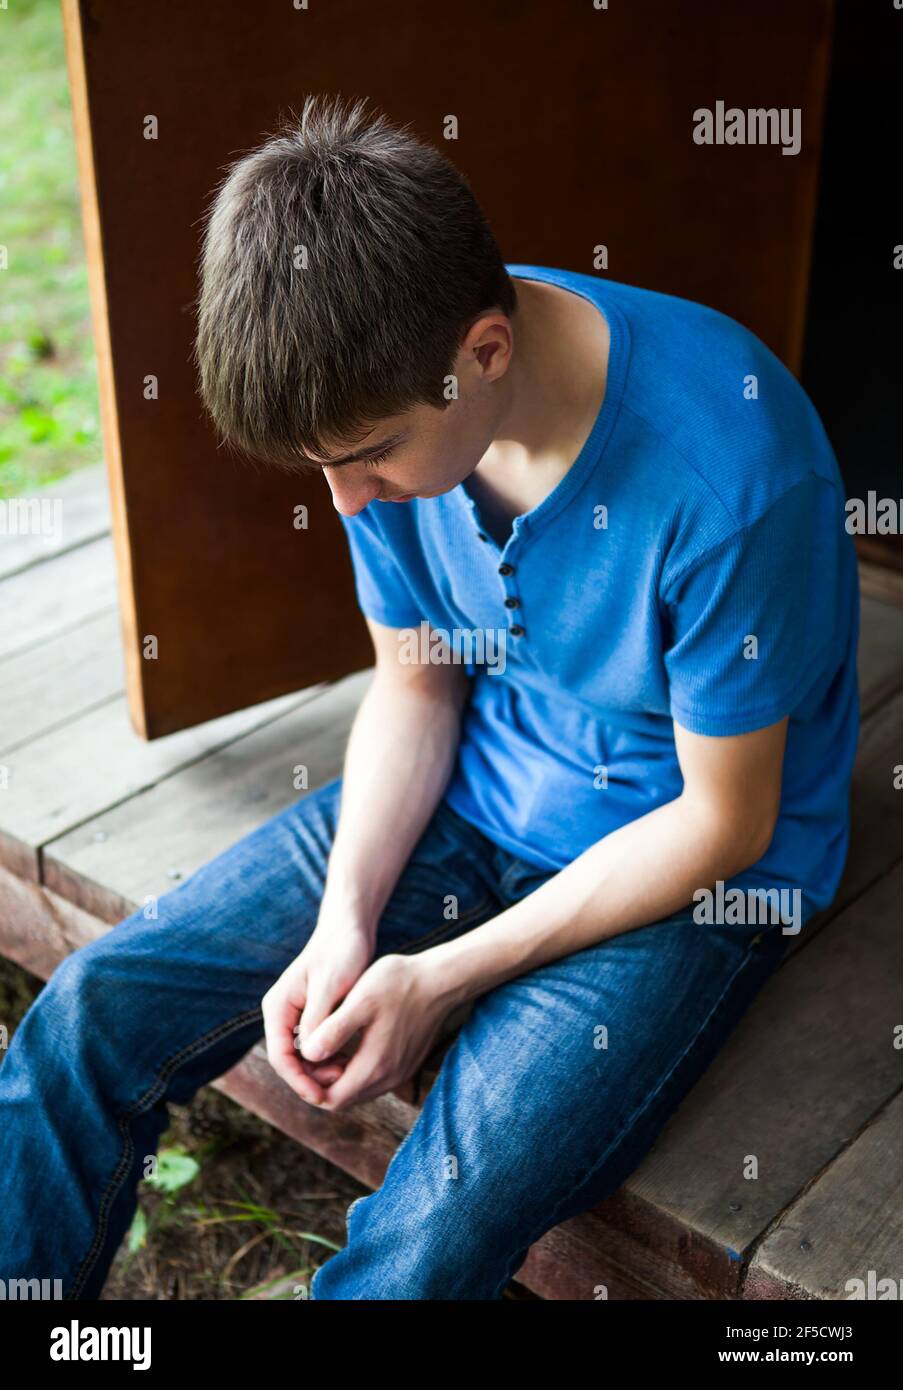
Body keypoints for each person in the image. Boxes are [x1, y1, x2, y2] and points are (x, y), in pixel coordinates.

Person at [0, 95, 859, 1301]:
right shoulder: (391, 389)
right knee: (91, 1007)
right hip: (474, 789)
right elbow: (417, 677)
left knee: (432, 1225)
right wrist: (349, 920)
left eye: (368, 457)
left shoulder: (734, 474)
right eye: (323, 469)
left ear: (486, 355)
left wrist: (443, 974)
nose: (348, 503)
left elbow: (728, 823)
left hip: (682, 866)